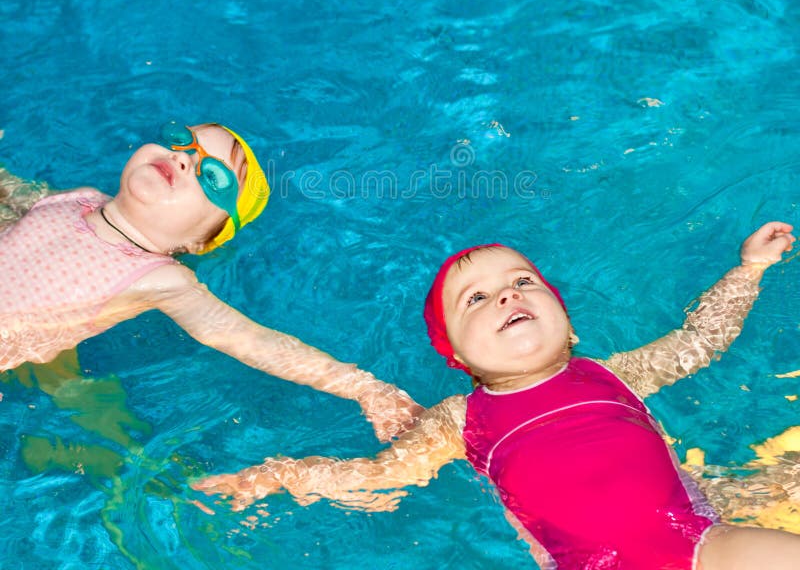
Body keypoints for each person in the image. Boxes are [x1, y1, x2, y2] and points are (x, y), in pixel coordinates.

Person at [194, 222, 800, 569]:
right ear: (456, 356)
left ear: (566, 319)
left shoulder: (617, 374)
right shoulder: (461, 419)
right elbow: (378, 475)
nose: (507, 296)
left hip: (706, 544)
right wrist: (270, 479)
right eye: (476, 300)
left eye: (522, 282)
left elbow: (701, 339)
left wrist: (748, 270)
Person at [0, 122, 420, 443]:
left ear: (200, 240)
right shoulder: (79, 198)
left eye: (212, 177)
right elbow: (12, 197)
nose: (184, 160)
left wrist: (366, 389)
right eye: (181, 141)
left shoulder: (161, 279)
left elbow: (251, 340)